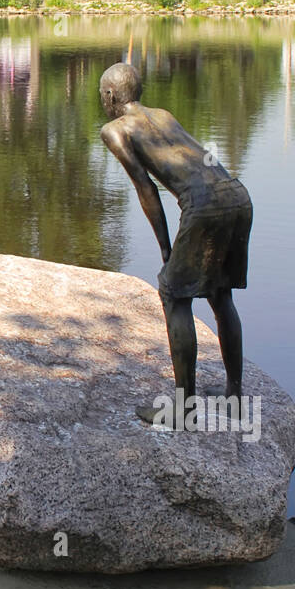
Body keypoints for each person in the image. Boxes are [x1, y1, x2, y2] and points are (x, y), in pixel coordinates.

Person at [99, 63, 252, 421]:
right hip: (237, 196)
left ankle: (183, 409)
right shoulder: (162, 115)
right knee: (219, 293)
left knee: (173, 294)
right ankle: (234, 395)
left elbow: (146, 189)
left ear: (109, 96)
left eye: (101, 97)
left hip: (204, 207)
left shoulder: (116, 129)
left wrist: (167, 250)